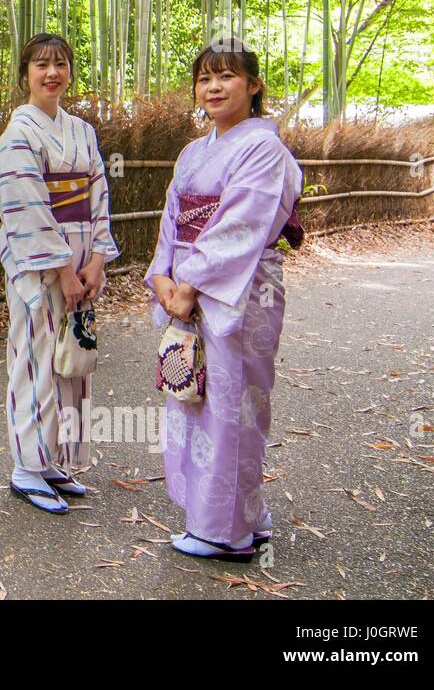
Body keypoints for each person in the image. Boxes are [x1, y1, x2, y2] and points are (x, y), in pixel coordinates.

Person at [145, 37, 304, 561]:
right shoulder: (194, 152)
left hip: (241, 287)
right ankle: (243, 516)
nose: (213, 87)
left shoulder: (264, 149)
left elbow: (244, 222)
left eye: (227, 76)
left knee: (235, 403)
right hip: (191, 285)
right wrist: (162, 275)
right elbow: (172, 218)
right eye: (204, 78)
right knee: (196, 396)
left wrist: (189, 284)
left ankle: (225, 532)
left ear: (253, 86)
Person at [0, 33, 119, 514]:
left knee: (70, 361)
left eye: (61, 64)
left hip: (82, 256)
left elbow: (99, 197)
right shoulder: (18, 135)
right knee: (33, 357)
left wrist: (97, 261)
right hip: (41, 264)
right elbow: (25, 206)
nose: (52, 73)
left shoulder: (83, 131)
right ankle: (25, 467)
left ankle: (50, 461)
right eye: (41, 64)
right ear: (25, 73)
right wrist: (65, 270)